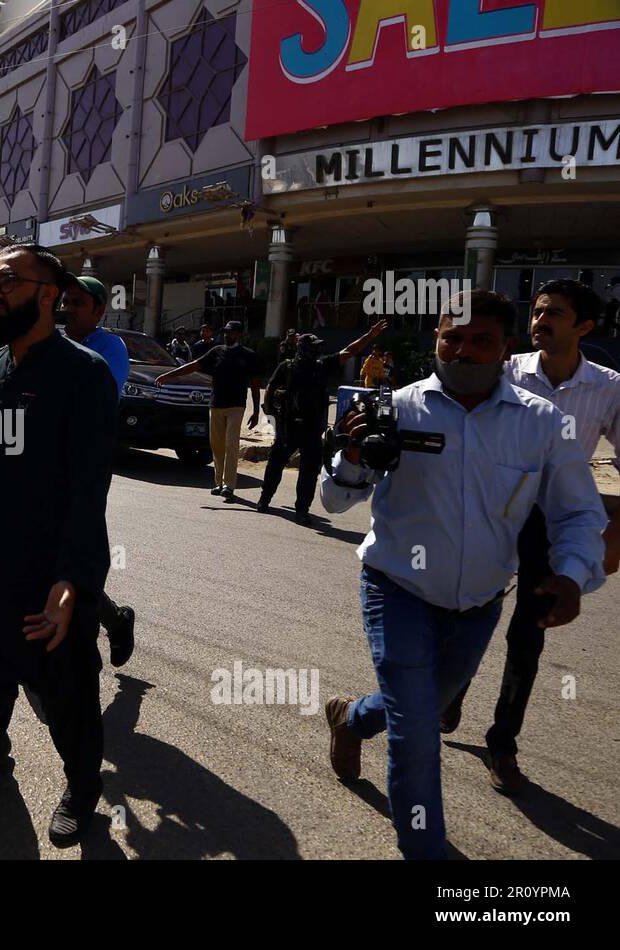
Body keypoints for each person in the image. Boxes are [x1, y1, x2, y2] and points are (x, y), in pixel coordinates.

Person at [319, 290, 606, 860]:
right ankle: (427, 851)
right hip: (396, 588)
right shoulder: (395, 408)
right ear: (436, 339)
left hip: (479, 603)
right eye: (453, 338)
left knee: (423, 706)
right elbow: (333, 499)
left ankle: (351, 718)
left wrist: (572, 575)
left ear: (507, 349)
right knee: (419, 731)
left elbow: (578, 511)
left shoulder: (543, 423)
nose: (465, 352)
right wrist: (352, 456)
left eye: (482, 342)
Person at [0, 244, 118, 857]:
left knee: (69, 711)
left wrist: (71, 583)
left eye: (10, 279)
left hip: (50, 591)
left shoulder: (84, 375)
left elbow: (91, 490)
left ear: (49, 293)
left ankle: (82, 790)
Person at [441, 279, 620, 794]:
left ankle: (502, 743)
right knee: (469, 611)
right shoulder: (505, 369)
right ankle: (452, 690)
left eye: (554, 314)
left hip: (552, 521)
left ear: (584, 326)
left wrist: (615, 533)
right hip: (493, 512)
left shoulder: (608, 387)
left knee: (527, 637)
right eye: (538, 311)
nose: (540, 320)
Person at [59, 275, 136, 667]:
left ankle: (113, 622)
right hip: (45, 465)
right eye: (65, 301)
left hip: (85, 466)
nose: (68, 309)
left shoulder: (109, 348)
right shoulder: (55, 342)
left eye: (77, 303)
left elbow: (96, 404)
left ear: (99, 311)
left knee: (79, 555)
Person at [259, 320, 388, 522]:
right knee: (275, 464)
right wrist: (269, 412)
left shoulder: (322, 366)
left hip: (312, 429)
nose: (317, 350)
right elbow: (271, 387)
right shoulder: (288, 366)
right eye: (314, 347)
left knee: (309, 472)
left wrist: (370, 336)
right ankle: (264, 500)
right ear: (303, 349)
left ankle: (302, 510)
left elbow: (349, 351)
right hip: (289, 426)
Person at [156, 320, 260, 500]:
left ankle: (229, 485)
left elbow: (256, 385)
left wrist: (257, 411)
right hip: (216, 405)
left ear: (239, 334)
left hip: (236, 406)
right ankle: (219, 483)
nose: (227, 335)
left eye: (232, 332)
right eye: (226, 332)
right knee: (217, 446)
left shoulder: (248, 355)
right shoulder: (217, 351)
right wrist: (168, 376)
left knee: (231, 445)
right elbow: (193, 366)